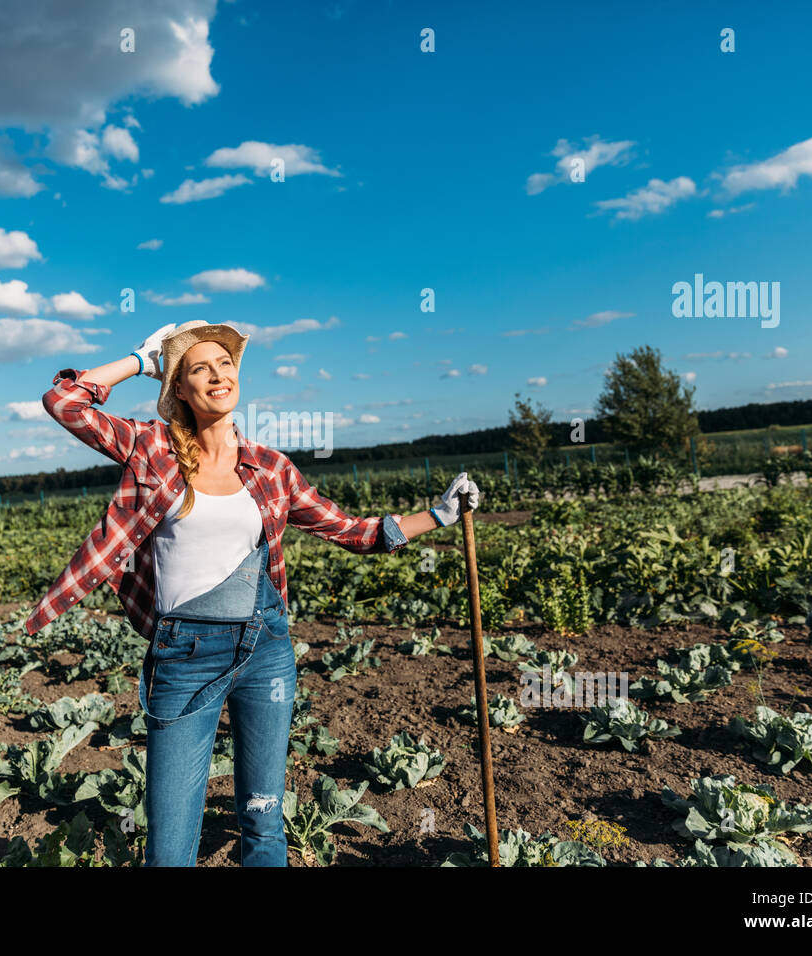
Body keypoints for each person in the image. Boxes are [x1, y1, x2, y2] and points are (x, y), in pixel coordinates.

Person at [24, 319, 481, 866]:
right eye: (199, 368)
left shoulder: (271, 468)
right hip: (185, 655)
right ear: (179, 390)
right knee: (170, 846)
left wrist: (438, 514)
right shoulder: (153, 447)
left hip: (266, 649)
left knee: (263, 822)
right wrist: (142, 361)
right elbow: (64, 401)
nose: (217, 375)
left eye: (224, 364)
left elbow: (354, 532)